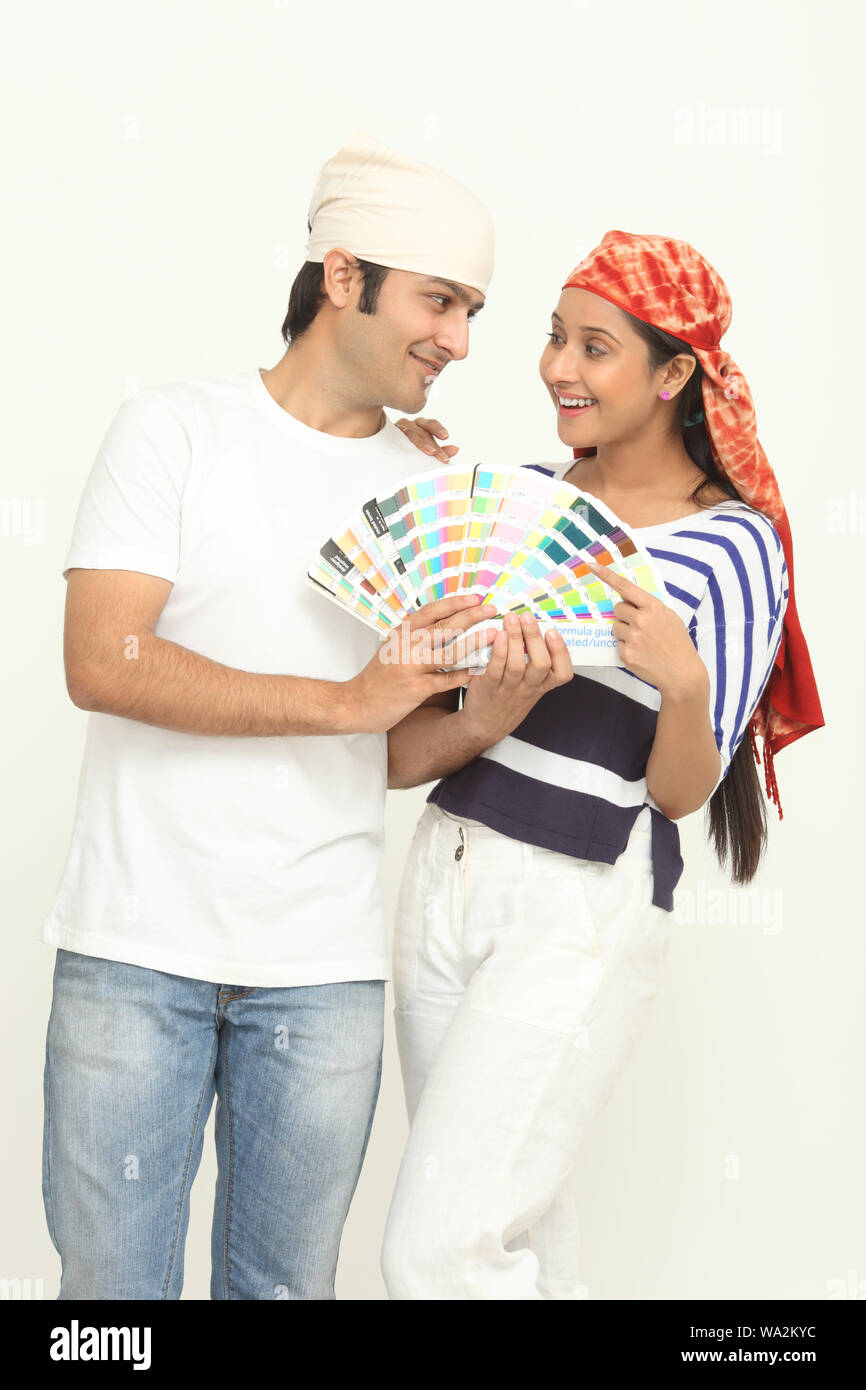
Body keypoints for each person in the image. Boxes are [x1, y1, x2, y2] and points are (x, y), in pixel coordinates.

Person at [39, 128, 518, 1300]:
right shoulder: (174, 430)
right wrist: (347, 697)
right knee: (108, 1311)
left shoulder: (429, 489)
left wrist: (482, 716)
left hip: (322, 967)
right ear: (342, 276)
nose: (457, 341)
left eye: (471, 313)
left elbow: (387, 746)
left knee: (286, 1298)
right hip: (132, 949)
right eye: (439, 301)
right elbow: (105, 661)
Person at [380, 228, 825, 1299]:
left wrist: (679, 681)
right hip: (445, 864)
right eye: (551, 339)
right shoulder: (519, 499)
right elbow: (408, 736)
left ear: (675, 374)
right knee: (515, 1230)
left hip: (578, 895)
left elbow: (679, 792)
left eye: (593, 348)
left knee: (438, 1250)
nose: (556, 369)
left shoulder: (732, 546)